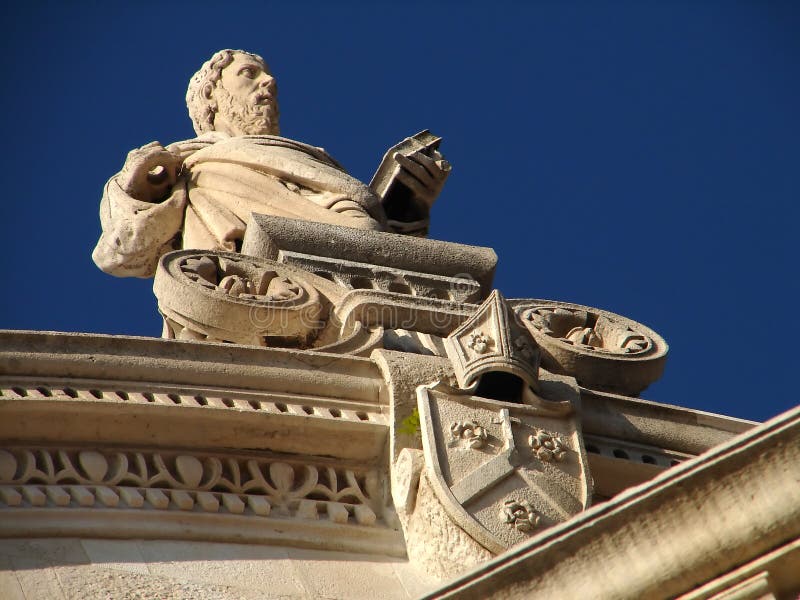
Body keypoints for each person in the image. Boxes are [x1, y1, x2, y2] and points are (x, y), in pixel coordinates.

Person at [92, 49, 449, 278]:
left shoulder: (317, 161)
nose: (269, 82)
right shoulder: (182, 166)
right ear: (212, 97)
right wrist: (134, 186)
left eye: (267, 77)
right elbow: (118, 254)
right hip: (253, 288)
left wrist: (410, 207)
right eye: (249, 74)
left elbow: (378, 248)